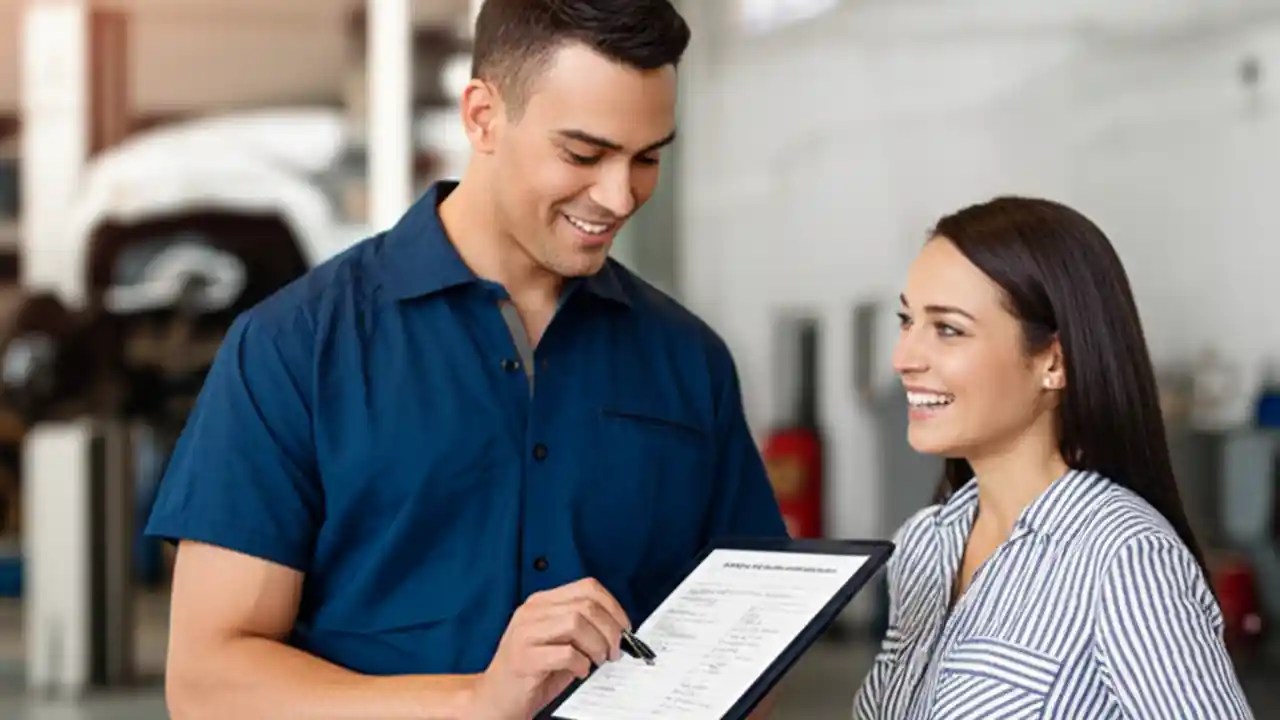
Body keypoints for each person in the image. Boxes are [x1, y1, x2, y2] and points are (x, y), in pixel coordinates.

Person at [144, 1, 788, 718]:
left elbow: (748, 655)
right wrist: (475, 703)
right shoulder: (294, 347)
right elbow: (207, 683)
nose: (617, 196)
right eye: (583, 154)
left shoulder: (688, 361)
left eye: (648, 157)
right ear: (482, 116)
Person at [853, 197, 1254, 719]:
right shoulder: (923, 543)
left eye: (948, 328)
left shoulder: (1123, 559)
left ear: (1054, 361)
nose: (903, 358)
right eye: (907, 321)